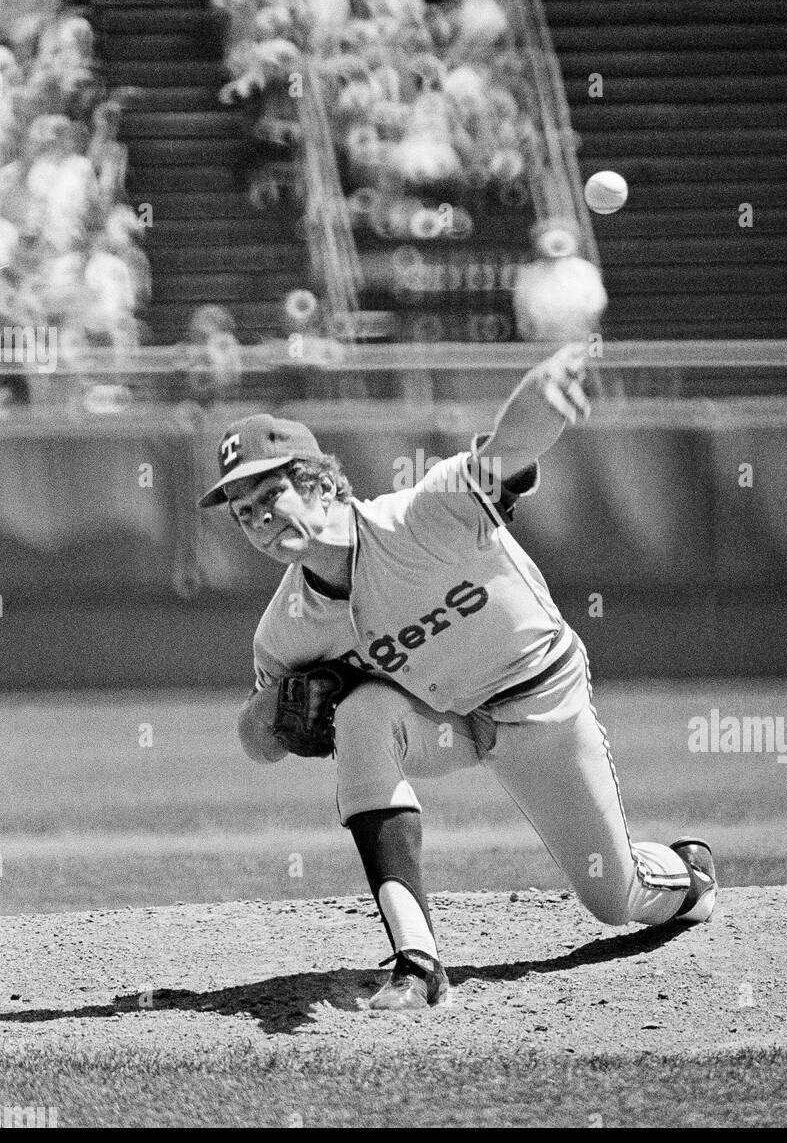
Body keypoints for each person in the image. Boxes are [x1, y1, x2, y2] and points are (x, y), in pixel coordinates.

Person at [198, 342, 718, 1010]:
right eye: (244, 513)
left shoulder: (426, 515)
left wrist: (543, 393)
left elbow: (510, 448)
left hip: (538, 703)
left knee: (614, 899)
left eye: (271, 493)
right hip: (445, 724)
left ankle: (687, 871)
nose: (262, 520)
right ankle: (416, 964)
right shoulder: (286, 628)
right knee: (361, 715)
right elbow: (257, 741)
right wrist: (275, 711)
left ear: (324, 483)